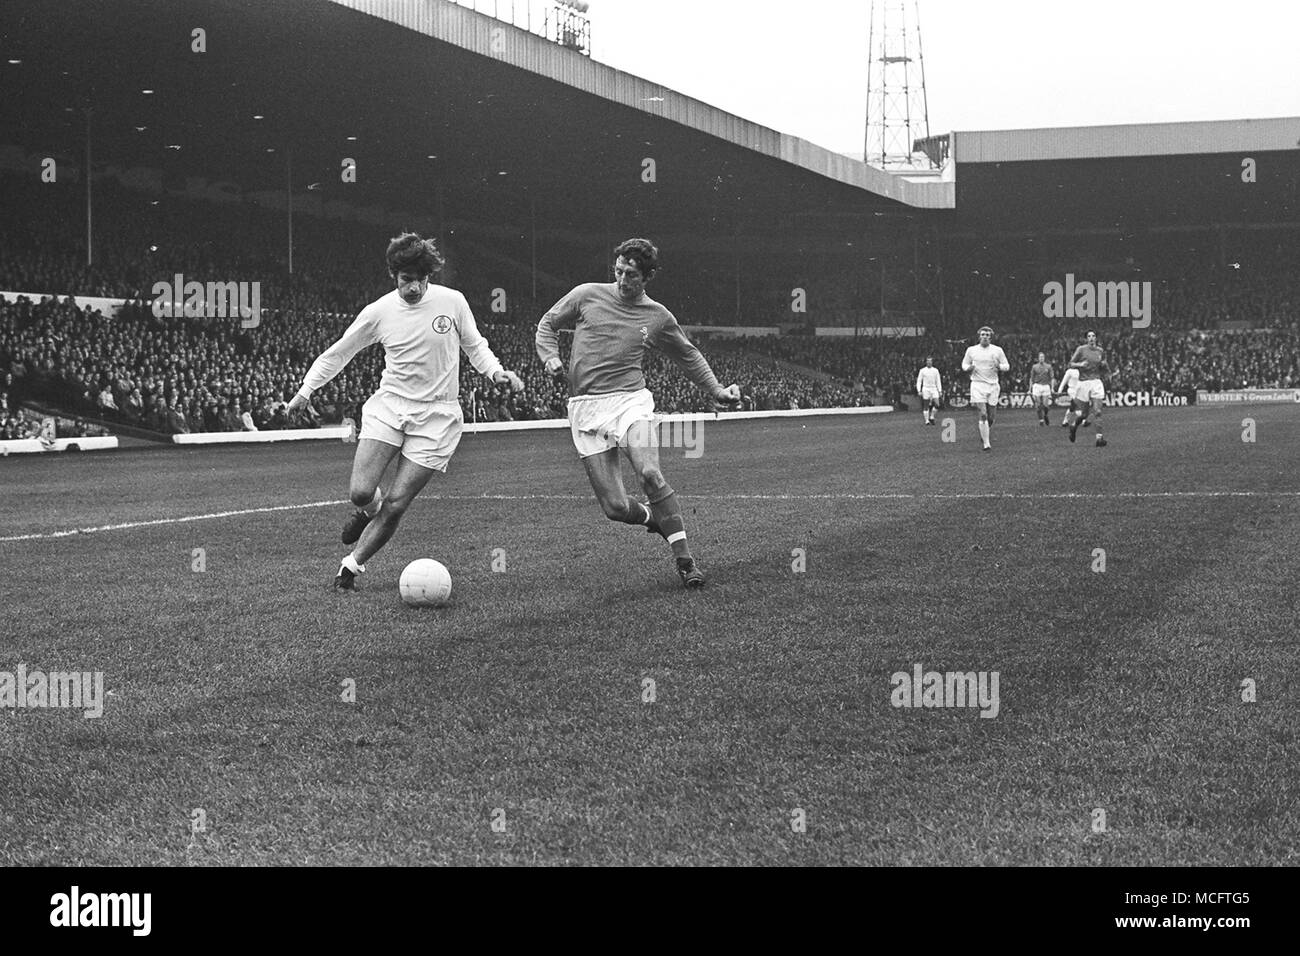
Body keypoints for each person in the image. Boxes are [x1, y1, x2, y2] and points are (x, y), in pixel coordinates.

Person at [287, 233, 524, 591]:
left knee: (396, 503)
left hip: (438, 418)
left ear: (430, 276)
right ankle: (365, 513)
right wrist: (305, 391)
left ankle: (350, 568)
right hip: (390, 407)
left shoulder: (453, 302)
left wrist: (496, 372)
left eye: (420, 280)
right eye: (405, 280)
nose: (413, 288)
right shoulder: (378, 312)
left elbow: (476, 346)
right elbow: (339, 352)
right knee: (361, 493)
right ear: (393, 276)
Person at [535, 238, 740, 588]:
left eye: (631, 274)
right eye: (618, 271)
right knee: (615, 508)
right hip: (585, 409)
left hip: (630, 402)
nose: (622, 280)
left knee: (649, 474)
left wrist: (717, 390)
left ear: (648, 277)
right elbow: (547, 324)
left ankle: (686, 561)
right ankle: (655, 520)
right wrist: (549, 356)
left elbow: (687, 354)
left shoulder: (658, 316)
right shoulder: (587, 295)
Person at [960, 326, 1010, 452]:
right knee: (982, 414)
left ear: (990, 337)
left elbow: (1007, 365)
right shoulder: (971, 350)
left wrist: (1000, 366)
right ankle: (986, 443)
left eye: (987, 335)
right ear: (979, 336)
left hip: (993, 385)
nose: (985, 337)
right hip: (977, 384)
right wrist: (968, 368)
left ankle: (985, 432)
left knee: (991, 417)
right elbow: (964, 364)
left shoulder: (997, 350)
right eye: (983, 334)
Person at [1065, 329, 1108, 447]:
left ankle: (1099, 439)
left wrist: (1104, 366)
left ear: (1096, 338)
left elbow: (1103, 366)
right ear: (1086, 339)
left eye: (1093, 336)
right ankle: (1074, 426)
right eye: (1089, 336)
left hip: (1096, 382)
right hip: (1083, 383)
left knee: (1098, 411)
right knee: (1084, 415)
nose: (1091, 338)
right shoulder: (1081, 349)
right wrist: (1080, 365)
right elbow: (1070, 364)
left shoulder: (1100, 351)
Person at [1028, 352, 1055, 426]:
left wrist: (1052, 388)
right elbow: (1031, 378)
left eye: (1042, 357)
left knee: (1046, 405)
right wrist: (1029, 389)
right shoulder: (1034, 367)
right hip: (1037, 386)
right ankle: (1041, 420)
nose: (1041, 358)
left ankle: (1045, 415)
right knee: (1038, 405)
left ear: (1044, 358)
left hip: (1046, 386)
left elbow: (1052, 378)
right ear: (1038, 358)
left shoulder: (1048, 366)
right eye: (1040, 357)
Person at [915, 357, 942, 426]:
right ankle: (927, 421)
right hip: (926, 389)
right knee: (926, 405)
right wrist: (919, 390)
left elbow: (938, 381)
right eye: (928, 361)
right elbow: (919, 381)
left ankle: (932, 417)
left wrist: (940, 390)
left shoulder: (935, 370)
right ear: (926, 362)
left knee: (937, 404)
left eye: (930, 361)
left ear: (932, 362)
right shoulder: (922, 370)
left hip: (934, 388)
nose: (929, 362)